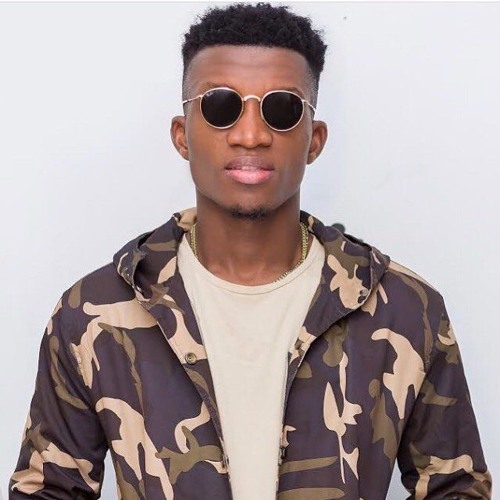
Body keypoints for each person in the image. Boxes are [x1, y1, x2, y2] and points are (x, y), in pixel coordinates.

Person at [10, 3, 491, 499]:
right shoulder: (95, 312)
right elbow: (49, 490)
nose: (251, 135)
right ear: (181, 135)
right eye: (221, 106)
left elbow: (457, 488)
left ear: (314, 140)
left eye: (282, 110)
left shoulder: (405, 310)